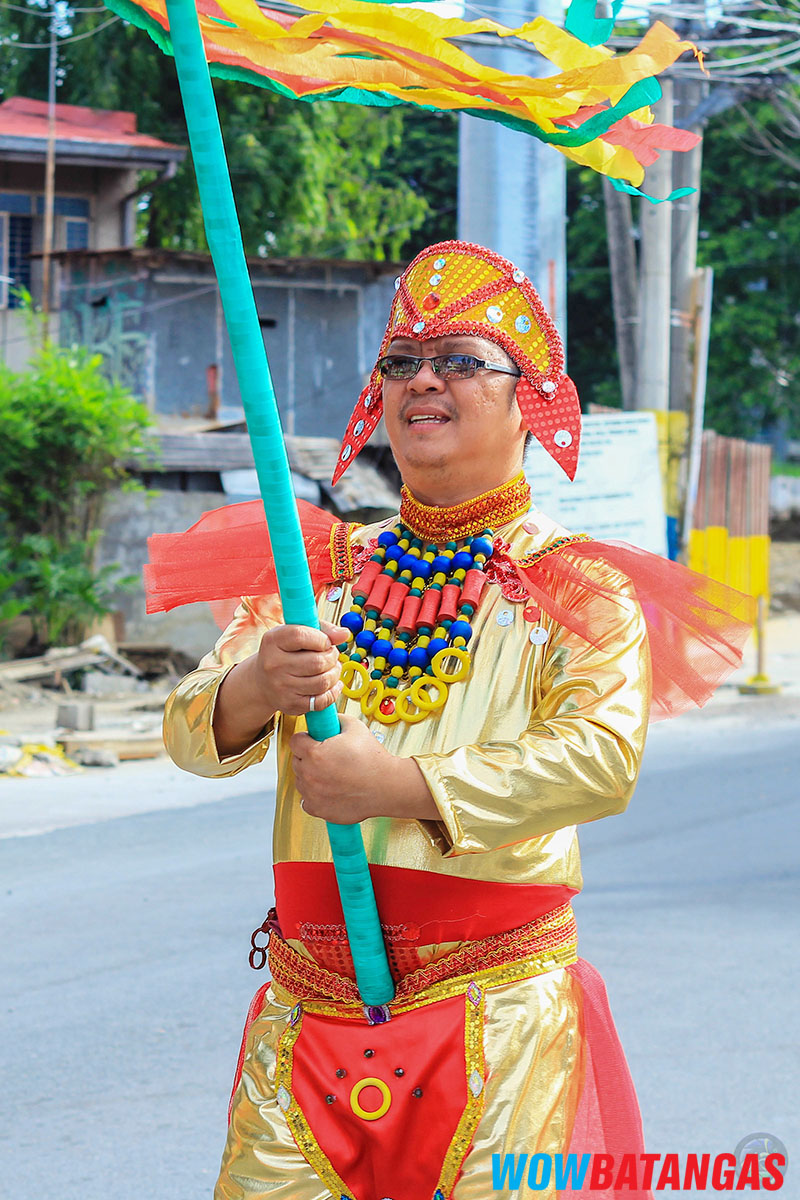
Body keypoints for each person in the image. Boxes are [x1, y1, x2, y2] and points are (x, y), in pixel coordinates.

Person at [156, 241, 753, 1200]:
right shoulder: (320, 575)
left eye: (461, 361)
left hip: (500, 1022)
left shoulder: (580, 585)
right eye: (401, 362)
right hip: (308, 1021)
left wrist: (400, 787)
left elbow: (599, 759)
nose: (423, 380)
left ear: (531, 398)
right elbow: (188, 730)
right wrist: (256, 688)